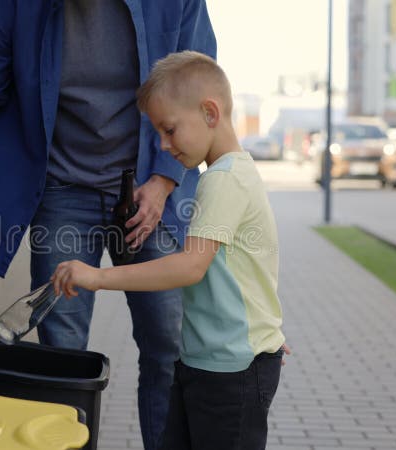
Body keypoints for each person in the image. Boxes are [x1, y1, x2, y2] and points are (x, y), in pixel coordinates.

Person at [0, 2, 216, 449]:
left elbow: (198, 82)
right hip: (61, 191)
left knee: (168, 349)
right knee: (62, 354)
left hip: (151, 189)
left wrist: (165, 180)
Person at [51, 51, 286, 450]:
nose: (162, 144)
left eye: (169, 130)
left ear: (210, 112)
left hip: (233, 374)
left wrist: (98, 277)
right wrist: (267, 330)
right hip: (204, 363)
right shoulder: (228, 175)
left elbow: (190, 267)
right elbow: (245, 266)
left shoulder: (225, 180)